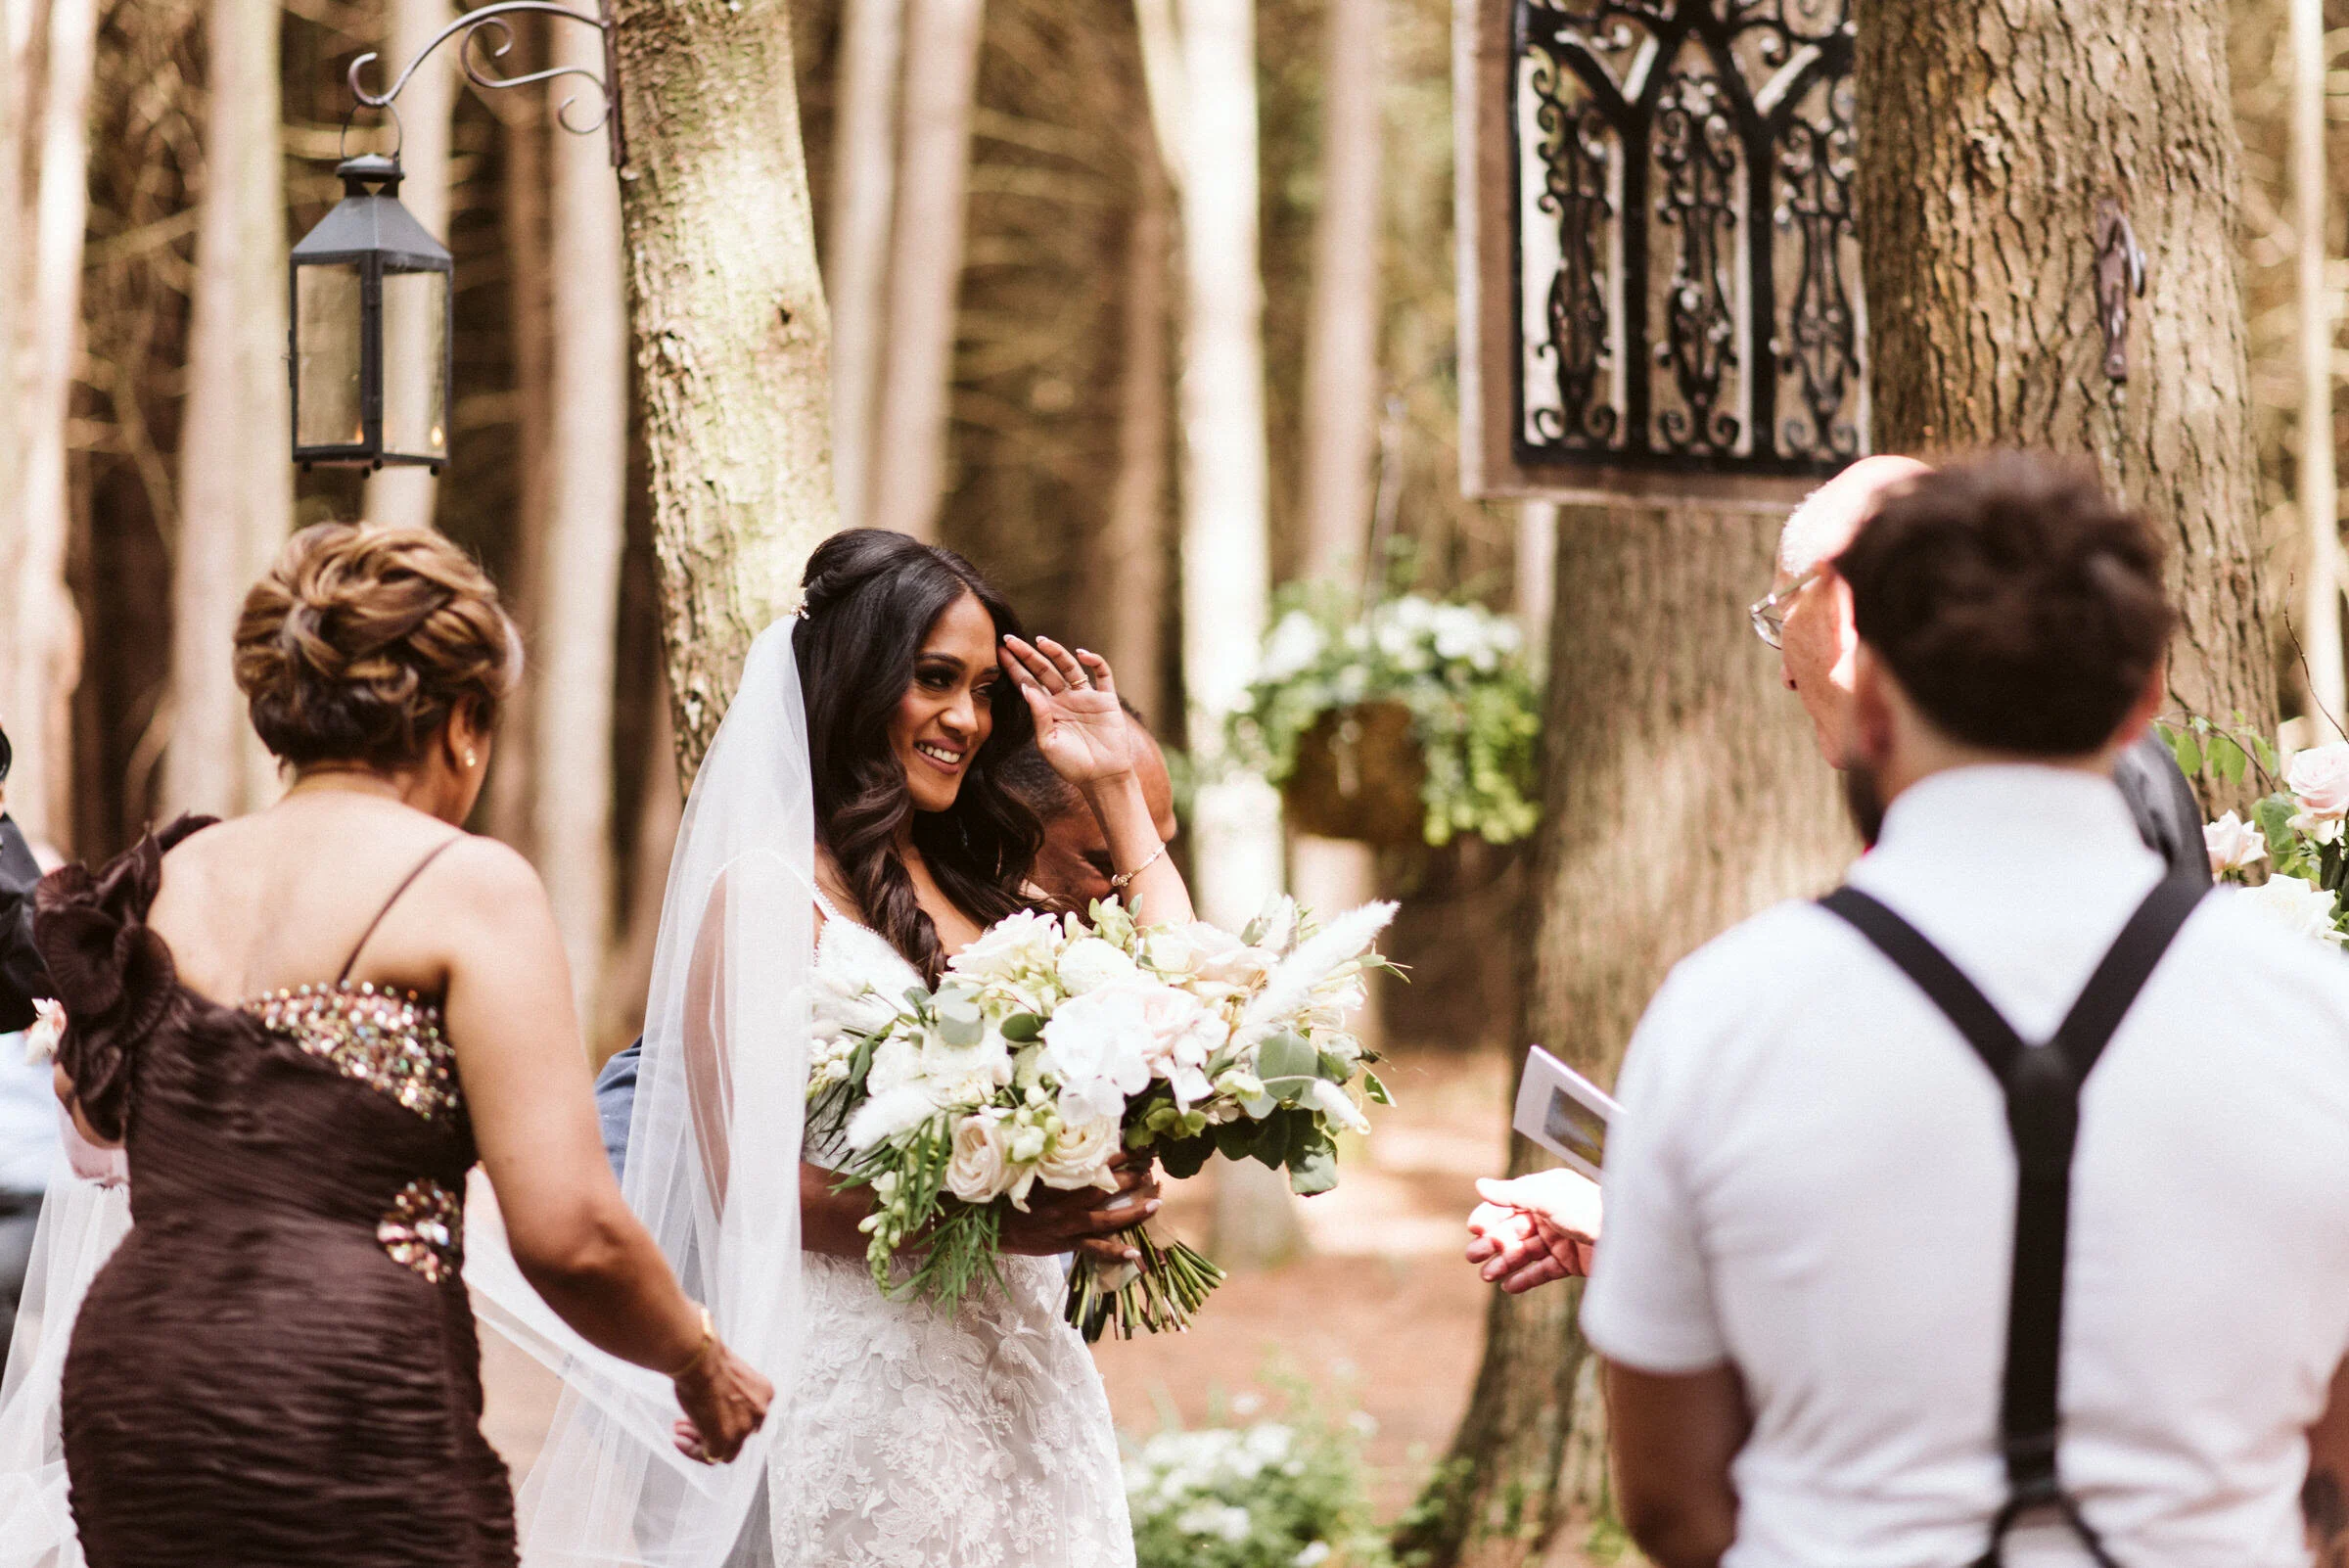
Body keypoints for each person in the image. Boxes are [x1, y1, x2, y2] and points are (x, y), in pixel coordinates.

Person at [1585, 454, 2349, 1567]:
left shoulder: (1724, 1016)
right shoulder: (2316, 1018)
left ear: (1877, 698)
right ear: (2144, 699)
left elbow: (1669, 1503)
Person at [1, 522, 770, 1568]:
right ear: (463, 723)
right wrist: (697, 1358)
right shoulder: (467, 887)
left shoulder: (161, 883)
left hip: (135, 1380)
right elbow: (570, 1232)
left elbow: (95, 1123)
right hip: (343, 1383)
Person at [506, 529, 1187, 1567]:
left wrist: (1117, 793)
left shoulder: (992, 896)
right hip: (875, 1392)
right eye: (933, 681)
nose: (964, 717)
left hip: (1028, 1381)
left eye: (980, 692)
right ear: (861, 683)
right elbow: (757, 1195)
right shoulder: (766, 899)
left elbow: (1188, 1008)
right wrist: (1000, 1214)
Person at [1465, 451, 2213, 1294]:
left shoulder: (1748, 1013)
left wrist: (1661, 1237)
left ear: (1854, 618)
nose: (1785, 667)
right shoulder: (2300, 1018)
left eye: (1785, 607)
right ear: (2151, 686)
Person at [592, 704, 1179, 1177]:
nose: (1134, 891)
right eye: (1107, 860)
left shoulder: (1051, 964)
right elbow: (649, 1170)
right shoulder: (781, 921)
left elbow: (1191, 1001)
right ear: (1010, 825)